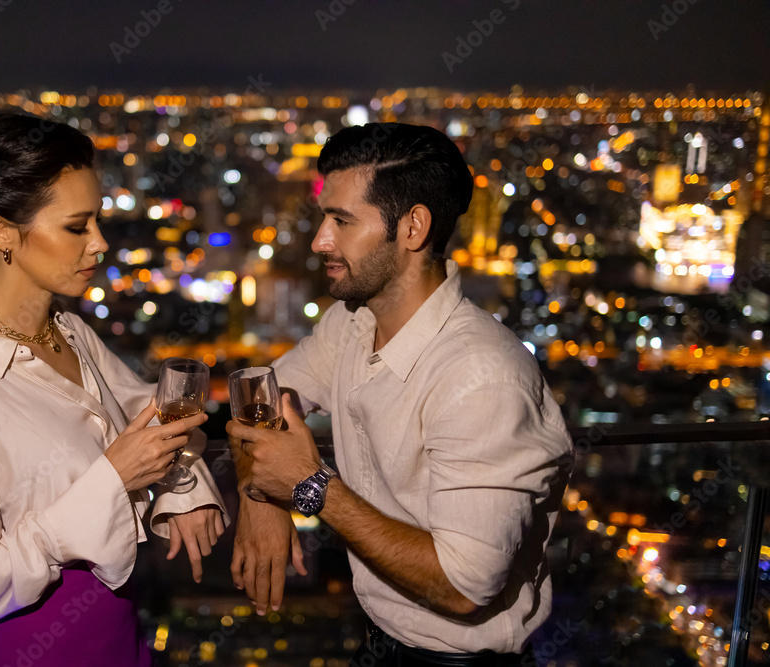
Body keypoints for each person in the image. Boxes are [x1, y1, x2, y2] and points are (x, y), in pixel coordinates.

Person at [229, 123, 574, 666]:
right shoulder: (351, 325)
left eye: (342, 221)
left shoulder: (482, 378)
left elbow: (465, 587)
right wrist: (261, 497)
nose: (320, 240)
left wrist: (311, 487)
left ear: (413, 227)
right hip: (379, 642)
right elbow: (260, 396)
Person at [0, 112, 228, 666]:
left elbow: (147, 417)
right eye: (77, 227)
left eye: (97, 222)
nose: (99, 244)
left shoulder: (72, 334)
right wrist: (110, 481)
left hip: (121, 635)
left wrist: (184, 485)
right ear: (1, 230)